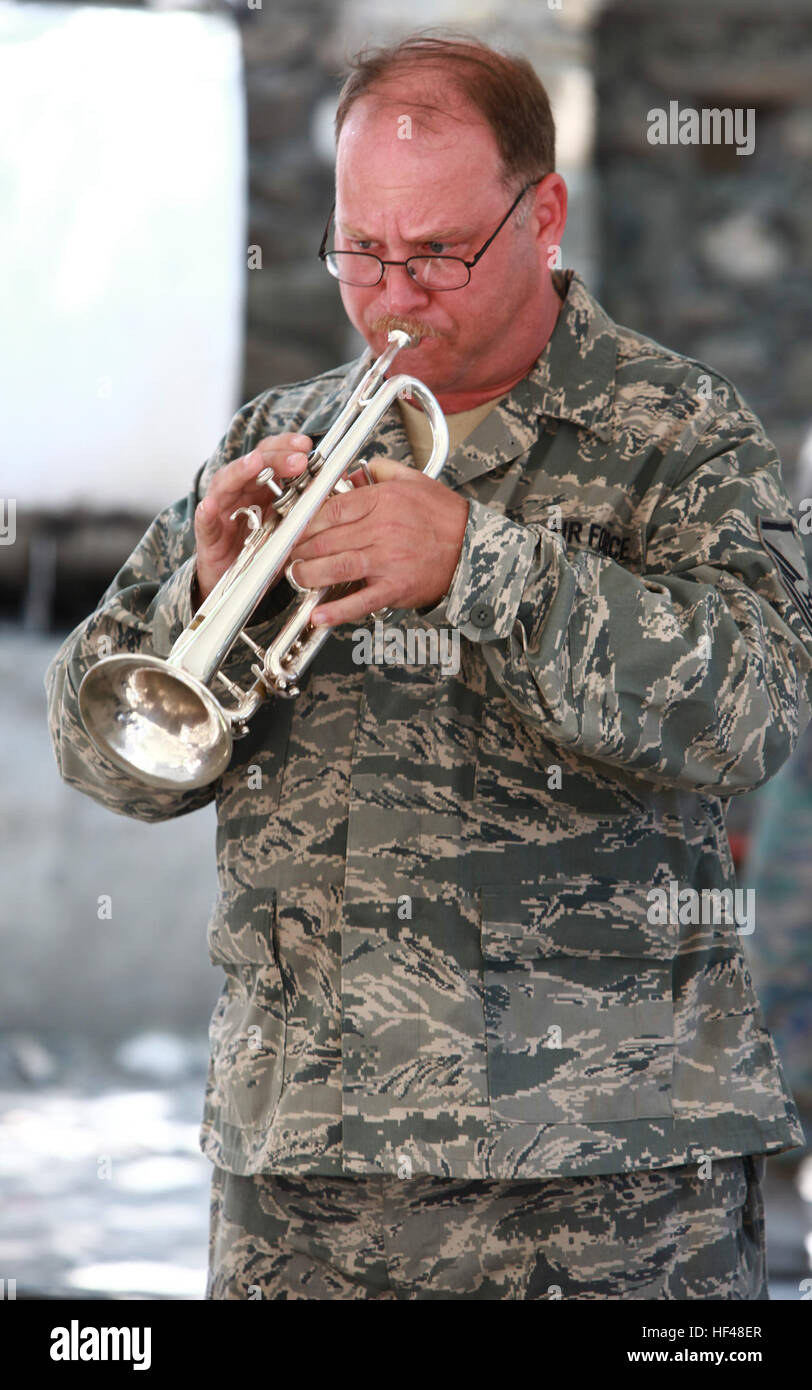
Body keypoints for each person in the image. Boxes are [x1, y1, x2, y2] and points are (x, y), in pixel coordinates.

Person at [46, 34, 812, 1300]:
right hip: (305, 1182)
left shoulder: (678, 430)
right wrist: (198, 592)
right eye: (362, 251)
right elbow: (110, 754)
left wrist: (481, 566)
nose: (393, 296)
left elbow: (754, 708)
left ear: (542, 213)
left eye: (437, 254)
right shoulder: (273, 435)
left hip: (603, 1178)